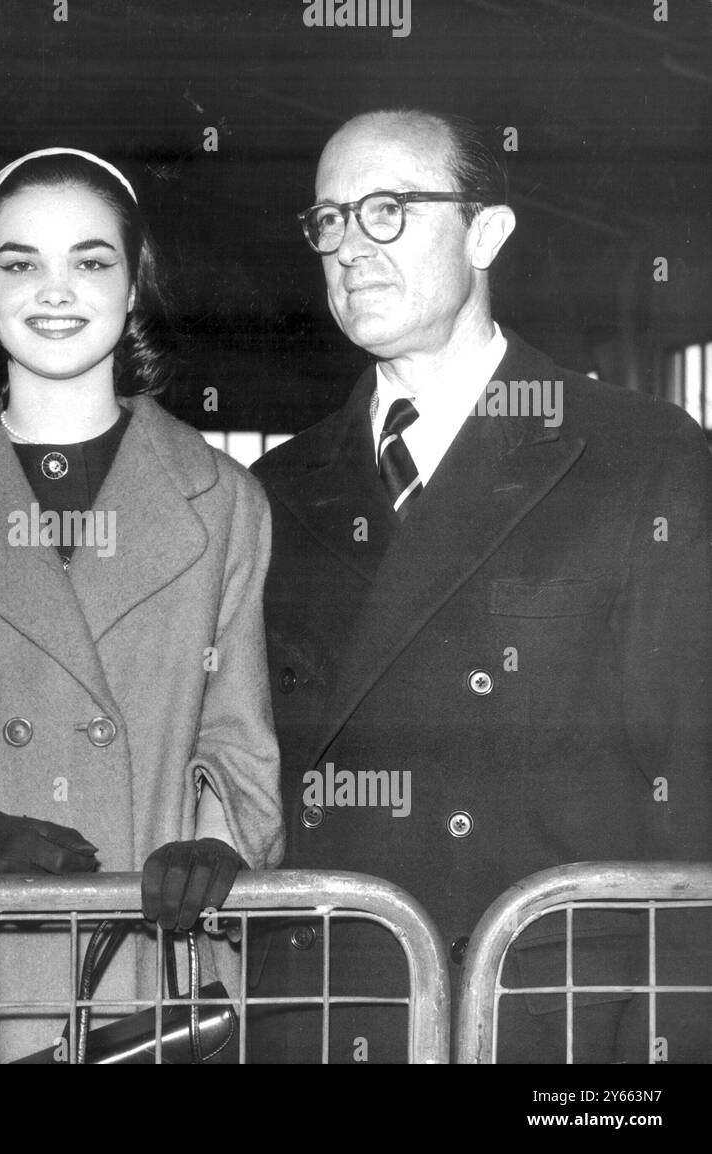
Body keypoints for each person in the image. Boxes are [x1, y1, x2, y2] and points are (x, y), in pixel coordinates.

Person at [248, 109, 712, 1062]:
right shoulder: (273, 491)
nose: (349, 248)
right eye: (328, 220)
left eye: (389, 210)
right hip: (331, 1019)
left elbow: (697, 808)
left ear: (488, 232)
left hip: (550, 1026)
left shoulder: (642, 458)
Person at [0, 148, 284, 1062]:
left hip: (155, 978)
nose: (55, 290)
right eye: (20, 261)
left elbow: (240, 741)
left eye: (90, 260)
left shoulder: (223, 499)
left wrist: (211, 847)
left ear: (132, 283)